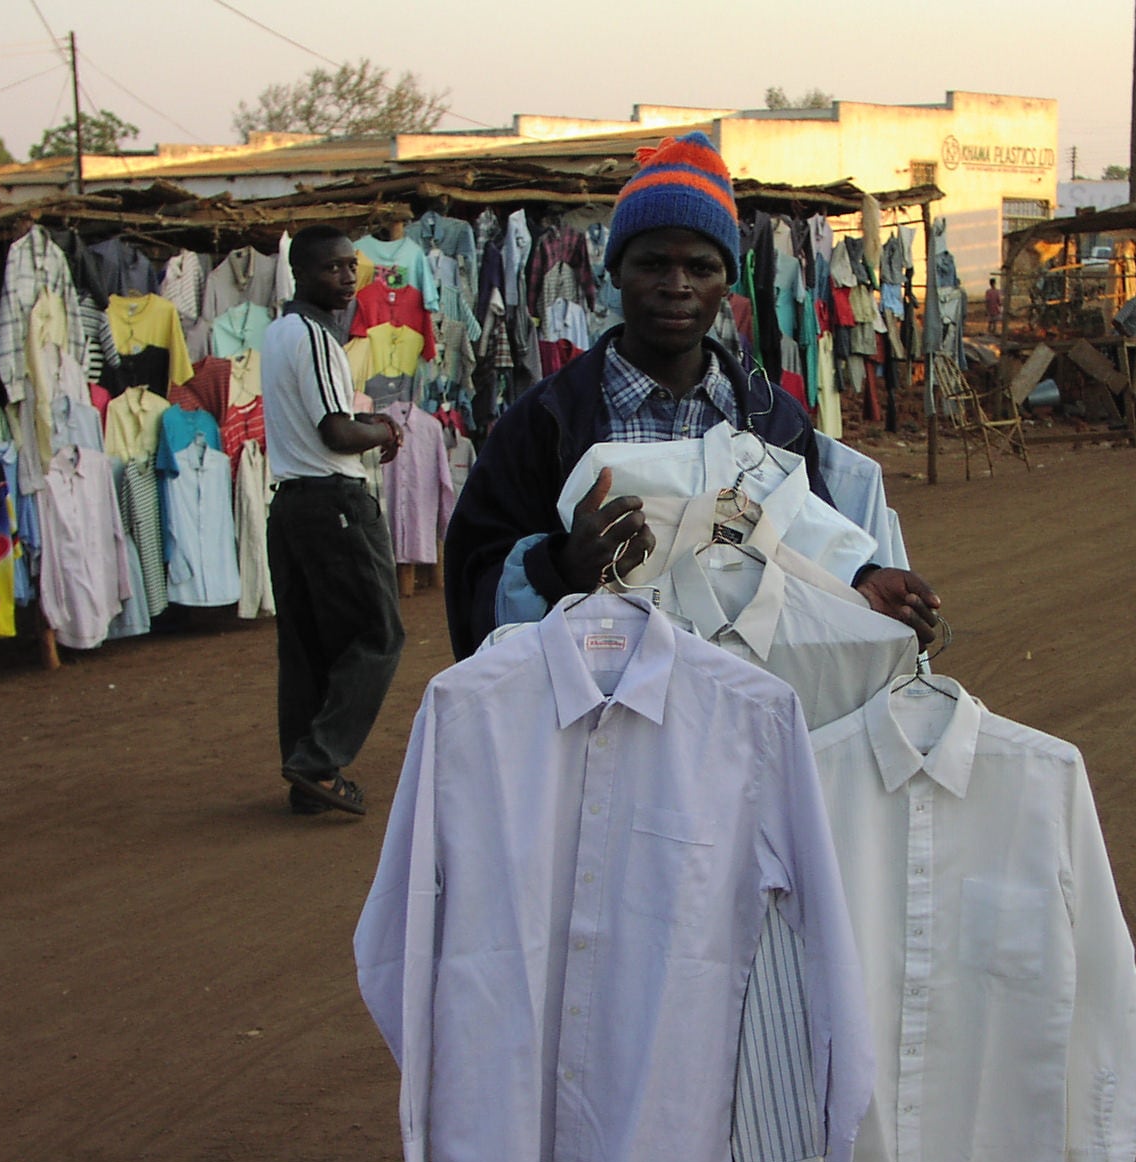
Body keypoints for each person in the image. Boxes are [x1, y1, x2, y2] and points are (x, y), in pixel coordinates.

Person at [443, 132, 940, 661]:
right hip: (602, 715)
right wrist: (558, 566)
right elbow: (476, 575)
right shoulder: (544, 423)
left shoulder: (774, 423)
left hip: (745, 707)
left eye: (701, 268)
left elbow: (810, 544)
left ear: (727, 281)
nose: (676, 285)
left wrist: (862, 583)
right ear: (614, 273)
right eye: (653, 264)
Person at [261, 225, 405, 817]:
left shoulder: (275, 334)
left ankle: (306, 770)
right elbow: (337, 432)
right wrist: (386, 430)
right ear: (301, 274)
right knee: (378, 632)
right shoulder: (315, 338)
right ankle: (318, 761)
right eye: (332, 269)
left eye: (352, 267)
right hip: (334, 503)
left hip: (292, 503)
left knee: (307, 645)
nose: (347, 278)